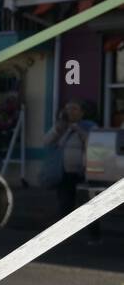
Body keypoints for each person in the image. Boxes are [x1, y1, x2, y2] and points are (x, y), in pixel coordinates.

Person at [44, 100, 95, 240]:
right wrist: (58, 129)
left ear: (82, 112)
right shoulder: (61, 126)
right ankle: (64, 236)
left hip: (83, 173)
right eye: (68, 109)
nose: (70, 112)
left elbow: (94, 142)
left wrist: (78, 129)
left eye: (74, 109)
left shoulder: (89, 126)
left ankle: (94, 236)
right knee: (65, 205)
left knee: (88, 206)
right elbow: (47, 141)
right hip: (64, 172)